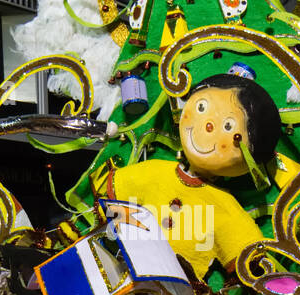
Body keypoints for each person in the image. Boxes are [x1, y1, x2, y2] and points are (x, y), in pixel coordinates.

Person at [100, 73, 282, 279]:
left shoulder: (223, 207)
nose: (208, 125)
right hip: (117, 262)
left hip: (172, 287)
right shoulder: (155, 171)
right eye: (202, 107)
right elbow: (112, 197)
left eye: (229, 126)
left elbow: (249, 256)